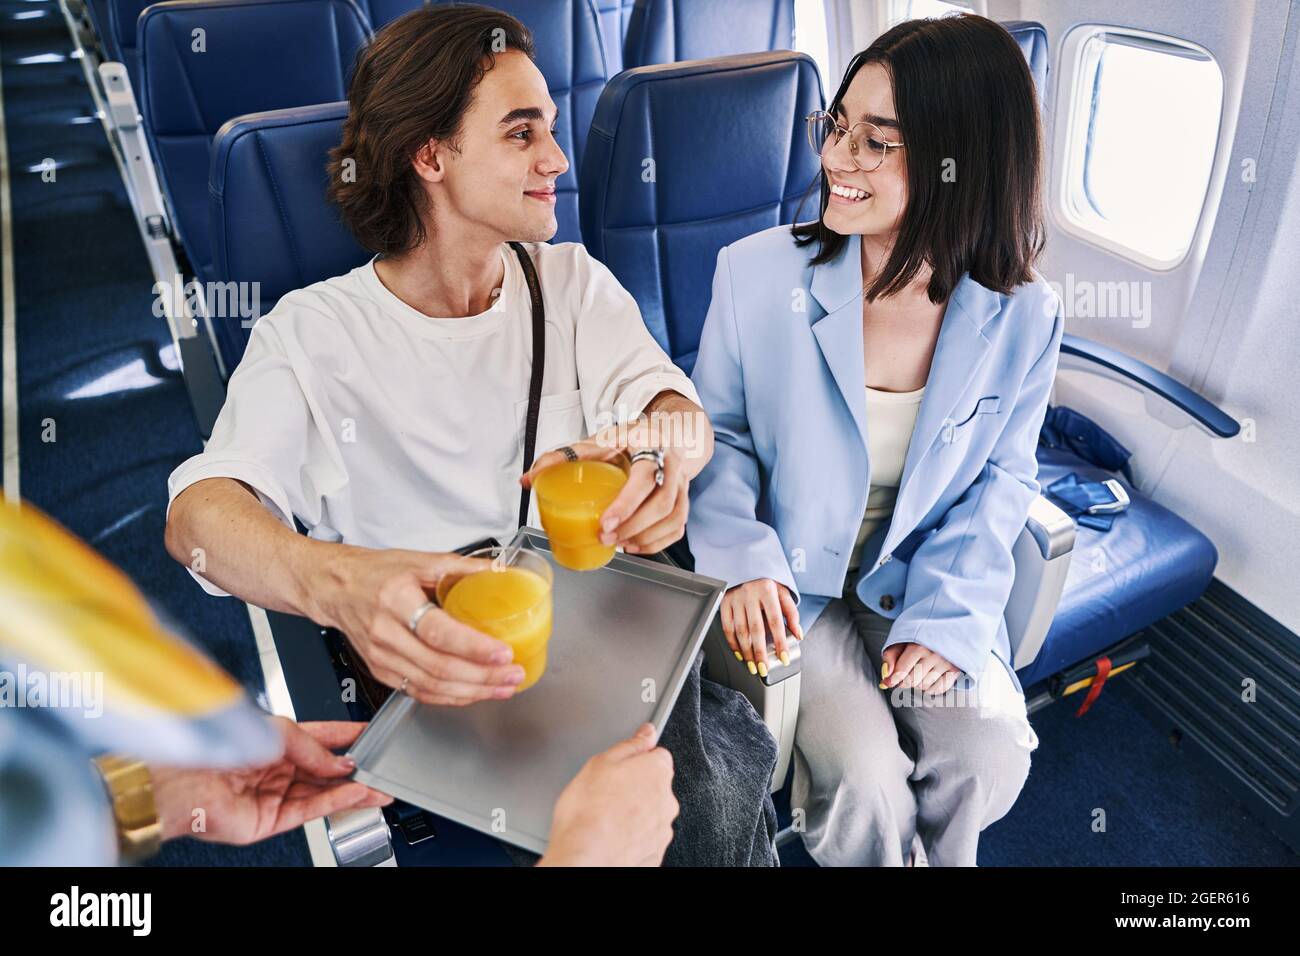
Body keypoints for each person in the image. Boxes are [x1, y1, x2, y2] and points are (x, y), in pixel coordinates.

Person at [163, 5, 777, 865]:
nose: (558, 161)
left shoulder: (570, 285)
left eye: (552, 130)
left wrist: (658, 457)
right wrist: (339, 586)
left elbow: (673, 408)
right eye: (522, 135)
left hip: (601, 637)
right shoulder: (313, 335)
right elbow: (198, 519)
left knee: (705, 793)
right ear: (431, 154)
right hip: (450, 683)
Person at [687, 14, 1063, 866]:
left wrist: (951, 614)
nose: (835, 158)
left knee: (986, 759)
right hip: (792, 580)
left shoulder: (1024, 314)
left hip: (925, 574)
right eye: (836, 126)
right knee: (863, 780)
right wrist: (744, 558)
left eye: (876, 142)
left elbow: (1001, 478)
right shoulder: (756, 273)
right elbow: (721, 436)